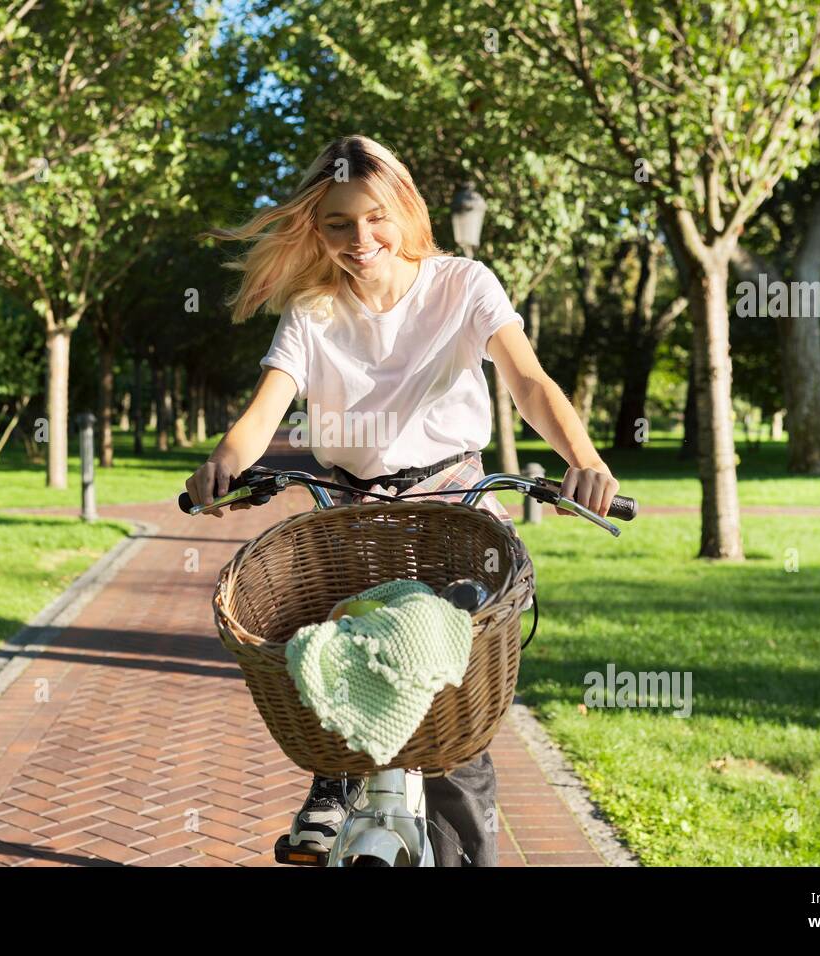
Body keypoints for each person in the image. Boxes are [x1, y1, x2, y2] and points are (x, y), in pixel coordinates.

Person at [183, 134, 620, 866]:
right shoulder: (313, 312)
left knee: (452, 713)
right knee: (326, 645)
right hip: (350, 516)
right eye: (339, 224)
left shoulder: (463, 283)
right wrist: (223, 467)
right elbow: (264, 413)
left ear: (407, 209)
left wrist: (586, 460)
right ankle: (335, 779)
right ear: (314, 228)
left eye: (376, 217)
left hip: (455, 508)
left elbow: (531, 383)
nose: (362, 240)